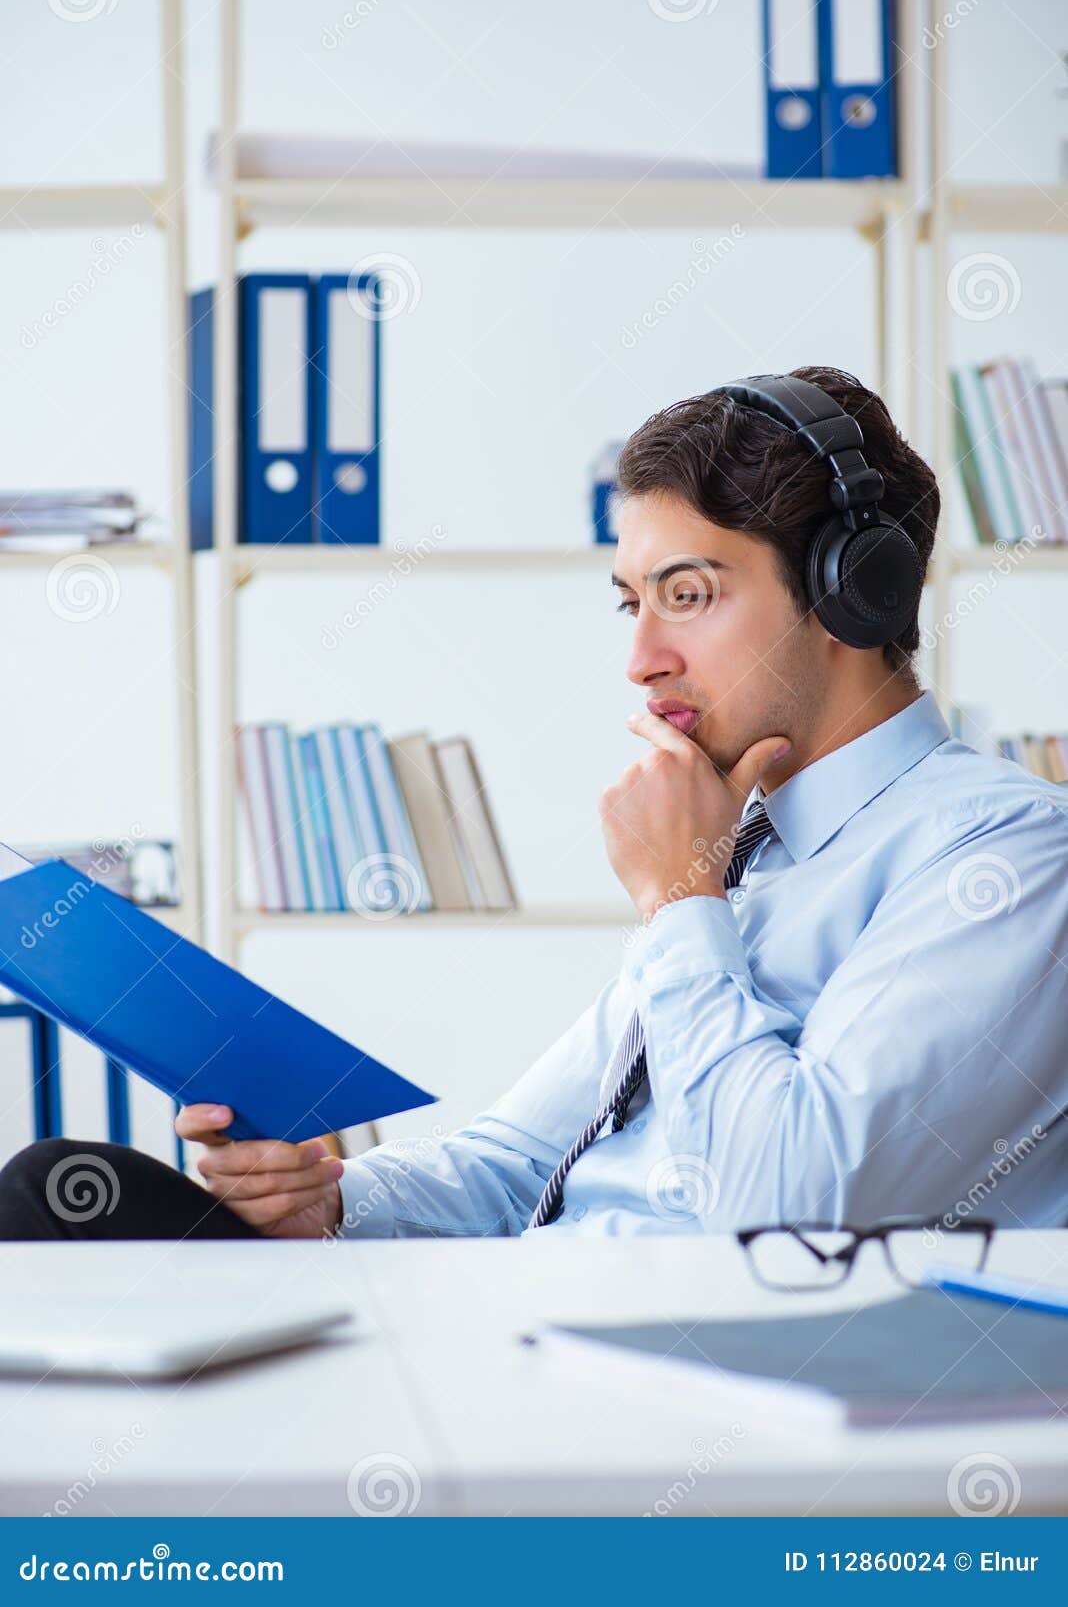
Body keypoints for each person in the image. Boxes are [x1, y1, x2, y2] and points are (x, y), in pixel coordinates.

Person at [3, 365, 1066, 1245]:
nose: (643, 660)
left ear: (854, 594)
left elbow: (787, 1209)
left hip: (693, 1385)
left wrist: (682, 903)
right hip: (527, 1323)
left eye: (688, 596)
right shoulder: (739, 852)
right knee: (56, 1188)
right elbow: (522, 1164)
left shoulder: (1004, 854)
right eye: (631, 603)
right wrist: (332, 1203)